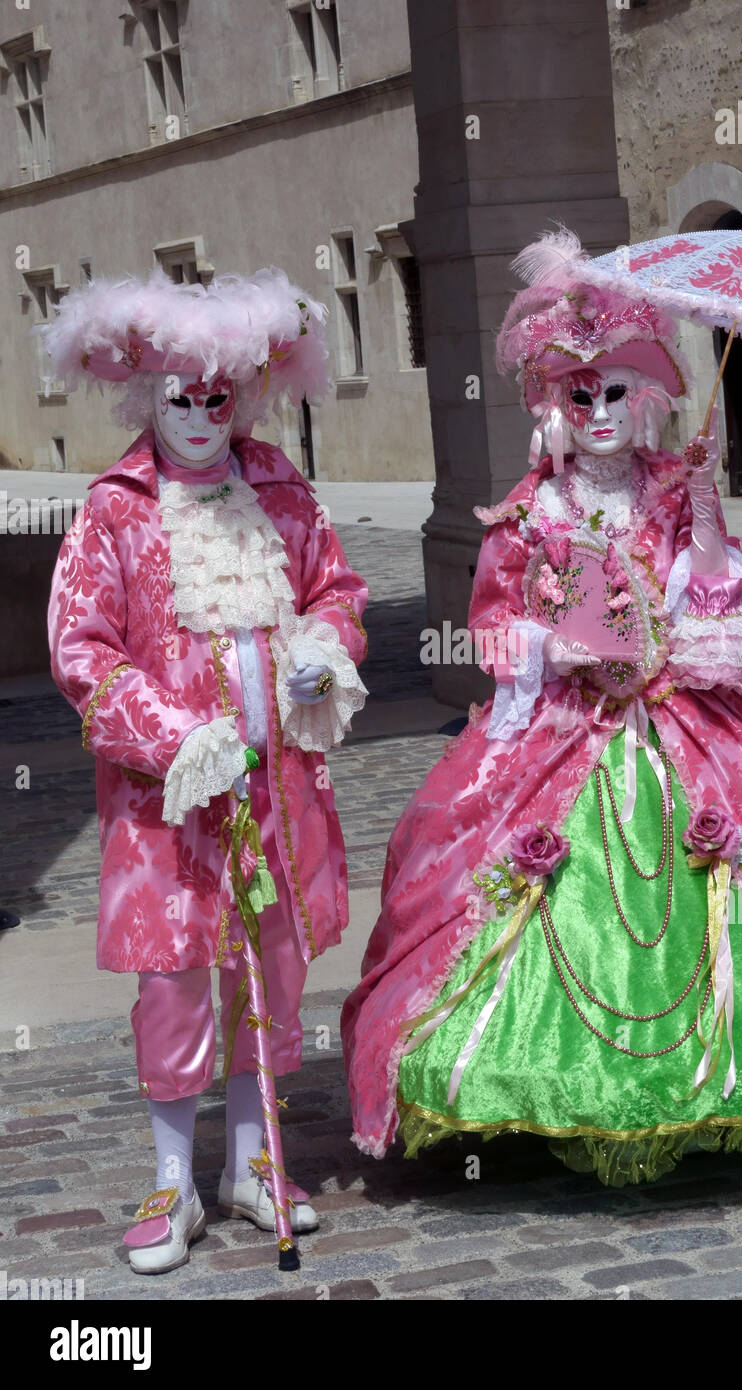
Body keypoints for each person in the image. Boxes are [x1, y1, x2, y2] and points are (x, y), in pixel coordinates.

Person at [341, 230, 742, 1188]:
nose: (600, 409)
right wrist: (549, 646)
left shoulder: (673, 487)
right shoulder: (529, 515)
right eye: (580, 393)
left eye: (615, 389)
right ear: (552, 404)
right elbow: (494, 630)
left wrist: (703, 533)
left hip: (688, 727)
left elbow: (722, 616)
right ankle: (530, 1098)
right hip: (563, 734)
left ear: (646, 393)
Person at [44, 270, 368, 1271]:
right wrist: (171, 733)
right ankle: (176, 1179)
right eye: (175, 397)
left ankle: (254, 1162)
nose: (195, 414)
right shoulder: (114, 511)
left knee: (268, 972)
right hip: (167, 807)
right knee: (179, 981)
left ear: (242, 395)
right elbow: (81, 648)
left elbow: (335, 586)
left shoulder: (279, 487)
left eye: (213, 396)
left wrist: (324, 645)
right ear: (148, 399)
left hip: (275, 795)